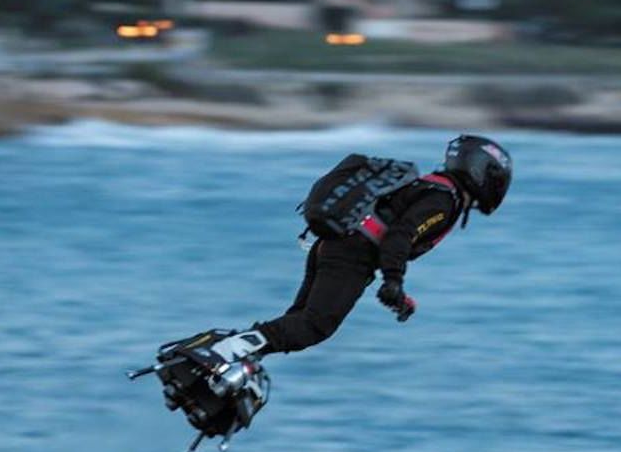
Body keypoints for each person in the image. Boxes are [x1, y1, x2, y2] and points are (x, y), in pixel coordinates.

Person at [199, 134, 512, 365]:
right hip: (351, 254)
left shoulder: (433, 185)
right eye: (496, 179)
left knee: (299, 321)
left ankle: (235, 357)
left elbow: (393, 228)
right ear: (480, 171)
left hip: (336, 244)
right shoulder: (445, 201)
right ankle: (225, 352)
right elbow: (399, 236)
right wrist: (393, 280)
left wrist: (397, 291)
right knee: (314, 326)